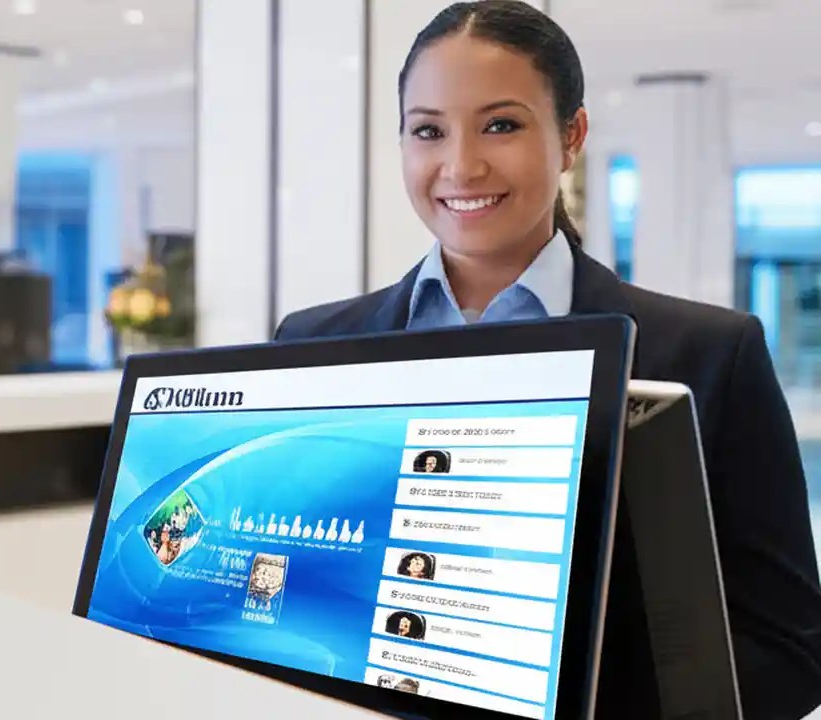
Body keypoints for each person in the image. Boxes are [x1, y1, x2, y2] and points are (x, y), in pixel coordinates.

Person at [273, 2, 821, 717]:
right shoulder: (310, 349)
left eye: (501, 124)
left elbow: (792, 649)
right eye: (428, 130)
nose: (461, 164)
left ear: (571, 137)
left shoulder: (710, 354)